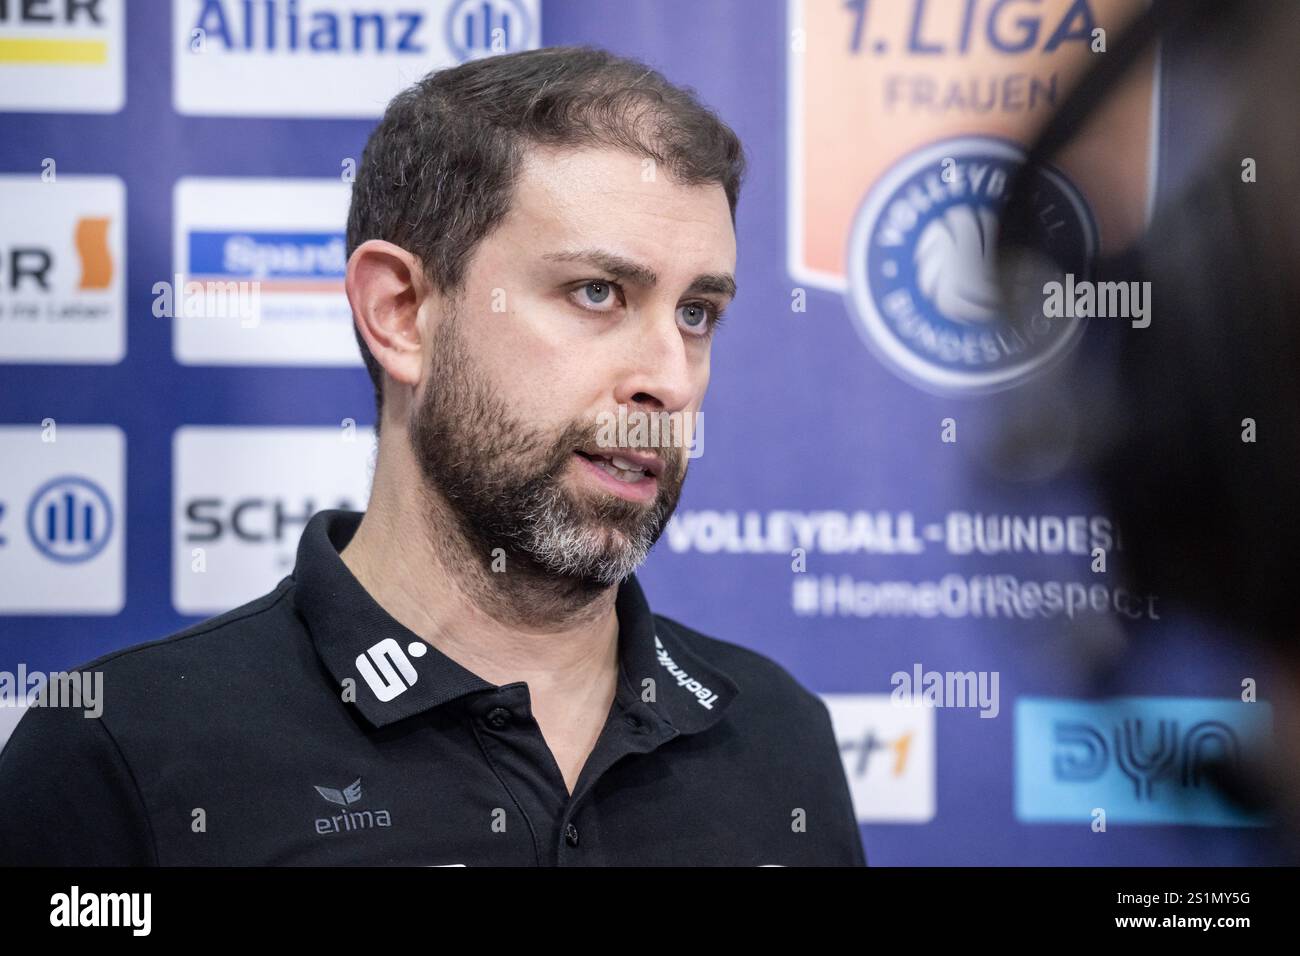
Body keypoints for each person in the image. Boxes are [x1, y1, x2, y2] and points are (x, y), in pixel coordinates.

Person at [0, 45, 866, 867]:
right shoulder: (127, 754)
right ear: (402, 312)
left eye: (696, 313)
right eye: (597, 293)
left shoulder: (777, 736)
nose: (669, 383)